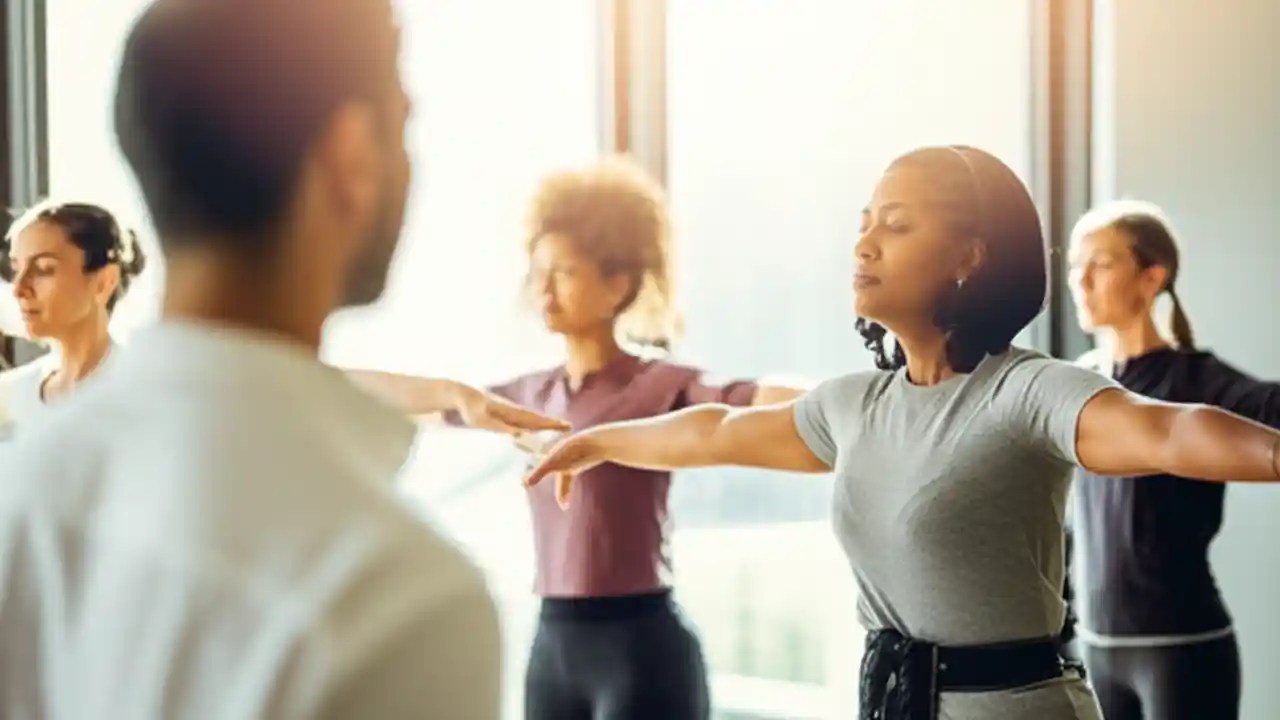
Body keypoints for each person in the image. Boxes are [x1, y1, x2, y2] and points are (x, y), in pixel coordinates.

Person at [522, 146, 1280, 720]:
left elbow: (1169, 431)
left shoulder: (1027, 391)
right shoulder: (853, 406)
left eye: (896, 225)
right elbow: (715, 431)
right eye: (864, 225)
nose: (865, 245)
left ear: (969, 257)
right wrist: (597, 442)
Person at [0, 1, 561, 718]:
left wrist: (451, 393)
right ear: (350, 159)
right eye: (403, 128)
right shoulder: (401, 603)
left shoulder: (27, 491)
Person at [365, 156, 801, 720]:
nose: (544, 290)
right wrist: (318, 372)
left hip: (641, 648)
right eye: (538, 273)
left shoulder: (662, 384)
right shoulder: (528, 396)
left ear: (617, 285)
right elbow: (394, 401)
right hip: (552, 648)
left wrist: (871, 401)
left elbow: (764, 399)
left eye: (565, 273)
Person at [1066, 200, 1280, 720]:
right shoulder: (1079, 382)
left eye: (1101, 264)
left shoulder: (1197, 381)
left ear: (1151, 277)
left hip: (1183, 651)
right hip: (1092, 651)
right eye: (1075, 266)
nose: (1081, 281)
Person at [0, 201, 146, 432]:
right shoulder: (8, 397)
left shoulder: (144, 395)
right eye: (16, 269)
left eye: (44, 268)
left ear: (104, 282)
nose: (18, 289)